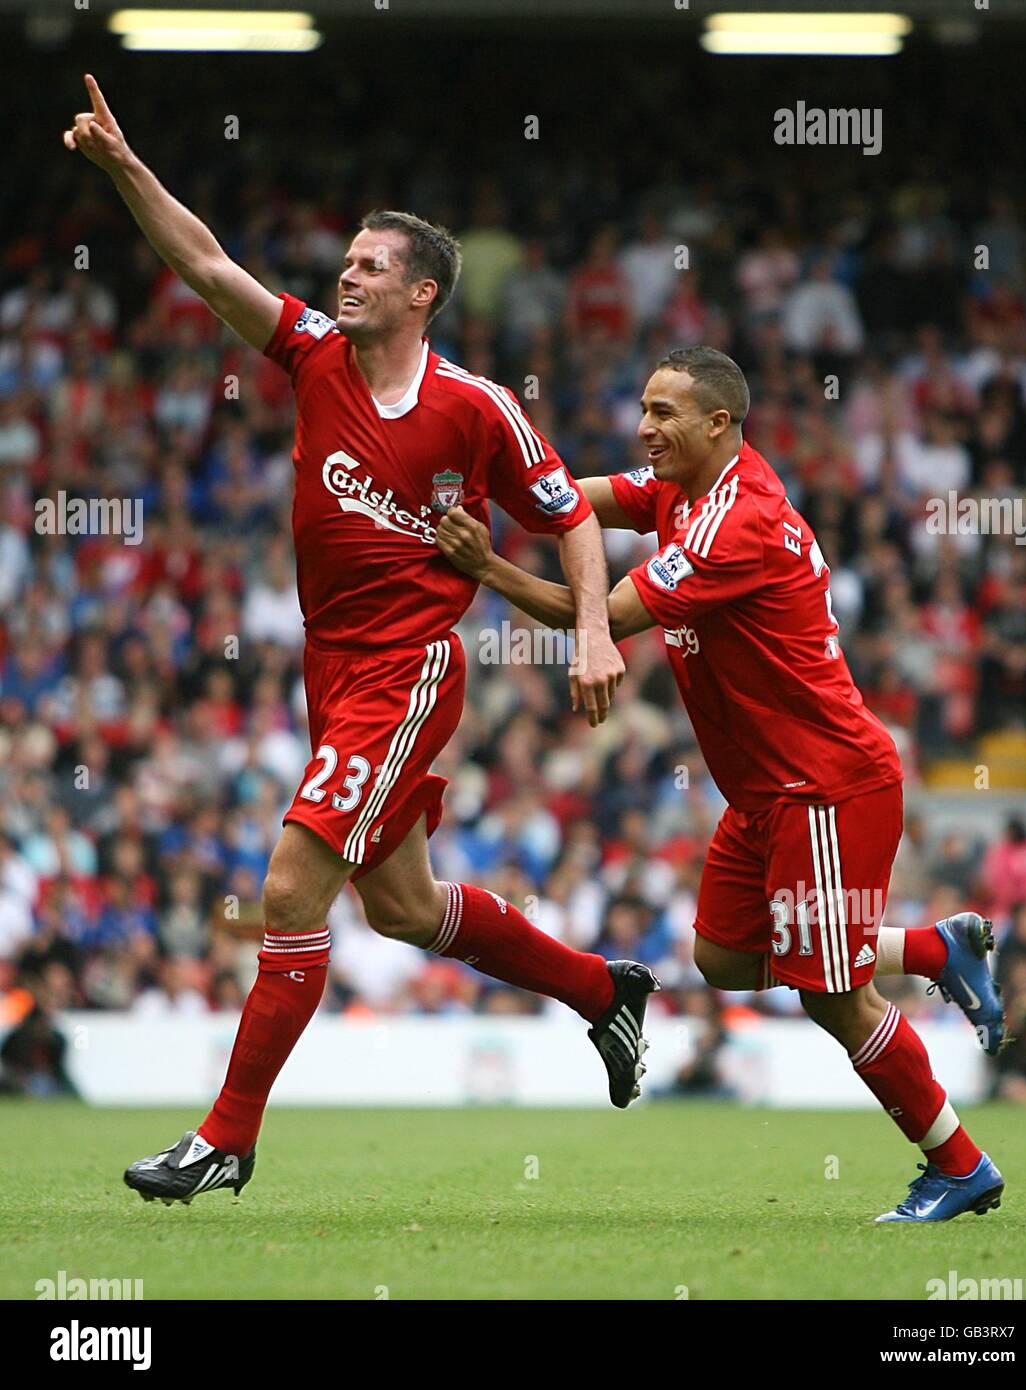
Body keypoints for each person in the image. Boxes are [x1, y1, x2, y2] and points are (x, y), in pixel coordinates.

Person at [63, 74, 659, 1206]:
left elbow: (573, 514)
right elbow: (203, 264)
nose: (346, 273)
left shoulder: (476, 407)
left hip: (409, 669)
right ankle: (603, 990)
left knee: (292, 886)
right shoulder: (312, 353)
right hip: (327, 667)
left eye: (371, 265)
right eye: (346, 259)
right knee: (402, 908)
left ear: (422, 292)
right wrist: (124, 167)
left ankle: (226, 1135)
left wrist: (591, 629)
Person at [436, 345, 1008, 1224]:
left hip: (823, 784)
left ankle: (958, 1165)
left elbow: (602, 616)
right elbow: (566, 497)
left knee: (830, 994)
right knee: (724, 957)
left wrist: (484, 565)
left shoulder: (734, 523)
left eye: (663, 413)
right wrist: (483, 471)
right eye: (642, 409)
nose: (643, 427)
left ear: (717, 422)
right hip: (762, 794)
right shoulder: (684, 486)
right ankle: (935, 951)